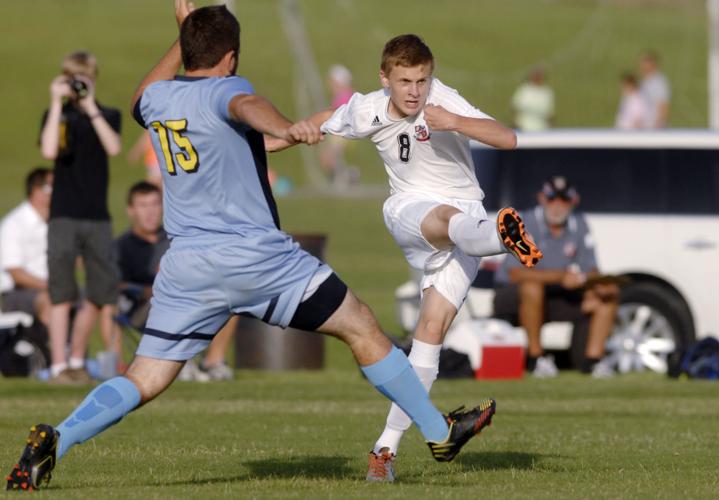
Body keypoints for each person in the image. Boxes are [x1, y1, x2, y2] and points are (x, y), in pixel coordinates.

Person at [5, 3, 494, 492]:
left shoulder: (159, 99)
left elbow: (141, 94)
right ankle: (438, 432)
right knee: (362, 325)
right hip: (259, 260)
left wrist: (184, 35)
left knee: (144, 378)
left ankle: (56, 439)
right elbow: (245, 107)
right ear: (232, 56)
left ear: (189, 50)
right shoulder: (230, 88)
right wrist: (282, 126)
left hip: (187, 267)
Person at [293, 34, 541, 482]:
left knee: (429, 336)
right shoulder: (368, 107)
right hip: (411, 211)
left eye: (422, 80)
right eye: (405, 81)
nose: (415, 91)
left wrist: (455, 121)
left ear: (432, 75)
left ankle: (383, 453)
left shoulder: (442, 100)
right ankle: (497, 238)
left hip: (467, 216)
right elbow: (322, 120)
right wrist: (272, 139)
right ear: (384, 79)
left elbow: (507, 138)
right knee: (443, 219)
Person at [40, 49, 122, 384]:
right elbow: (48, 151)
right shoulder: (55, 115)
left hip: (97, 215)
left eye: (83, 78)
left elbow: (114, 147)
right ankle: (60, 365)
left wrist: (90, 108)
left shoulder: (107, 114)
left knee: (99, 291)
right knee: (62, 290)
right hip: (63, 214)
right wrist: (57, 104)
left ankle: (78, 358)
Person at [493, 176, 620, 379]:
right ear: (542, 199)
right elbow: (513, 273)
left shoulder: (579, 225)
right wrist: (560, 277)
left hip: (560, 295)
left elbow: (591, 267)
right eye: (552, 199)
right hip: (514, 297)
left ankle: (593, 361)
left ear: (573, 201)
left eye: (564, 200)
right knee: (532, 287)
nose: (558, 205)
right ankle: (537, 359)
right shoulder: (523, 221)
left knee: (609, 292)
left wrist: (595, 283)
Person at [113, 181, 234, 381]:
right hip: (144, 305)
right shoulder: (121, 246)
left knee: (231, 298)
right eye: (143, 206)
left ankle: (214, 363)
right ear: (131, 211)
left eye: (155, 204)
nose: (150, 212)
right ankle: (178, 363)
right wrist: (148, 290)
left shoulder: (177, 237)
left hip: (188, 296)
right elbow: (114, 285)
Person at [0, 168, 53, 326]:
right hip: (15, 294)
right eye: (51, 187)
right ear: (37, 191)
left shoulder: (57, 223)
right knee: (52, 300)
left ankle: (106, 350)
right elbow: (17, 276)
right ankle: (51, 349)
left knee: (100, 297)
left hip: (53, 288)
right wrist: (54, 286)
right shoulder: (14, 224)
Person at [318, 64, 358, 186]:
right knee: (330, 158)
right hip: (340, 133)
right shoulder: (344, 95)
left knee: (329, 157)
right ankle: (348, 176)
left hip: (342, 133)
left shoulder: (346, 96)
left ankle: (347, 177)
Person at [511, 67, 555, 131]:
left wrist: (552, 128)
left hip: (541, 129)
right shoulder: (524, 89)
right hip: (523, 128)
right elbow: (514, 107)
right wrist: (515, 123)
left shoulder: (547, 92)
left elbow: (550, 113)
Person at [639, 51, 670, 129]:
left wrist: (656, 127)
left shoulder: (659, 82)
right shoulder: (644, 82)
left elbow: (664, 106)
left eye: (647, 61)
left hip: (654, 129)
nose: (643, 65)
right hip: (644, 128)